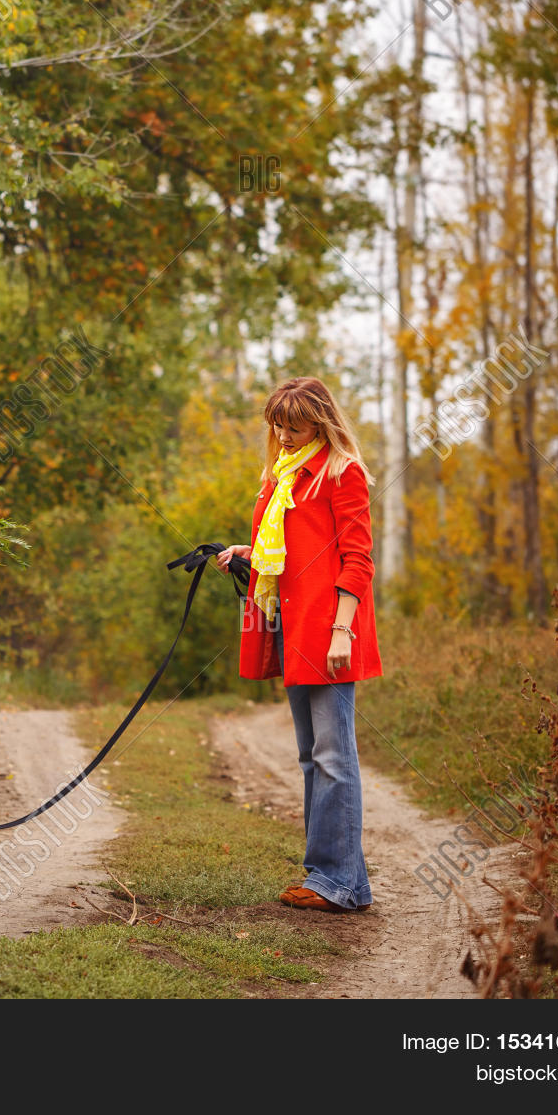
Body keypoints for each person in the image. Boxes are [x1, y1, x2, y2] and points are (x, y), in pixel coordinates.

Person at [215, 377, 382, 913]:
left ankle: (337, 881)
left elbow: (358, 560)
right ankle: (335, 880)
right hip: (290, 624)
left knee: (335, 756)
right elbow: (290, 547)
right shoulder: (282, 477)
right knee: (311, 756)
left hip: (330, 629)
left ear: (321, 422)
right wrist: (250, 550)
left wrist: (341, 630)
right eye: (277, 425)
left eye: (294, 425)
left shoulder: (342, 473)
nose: (283, 435)